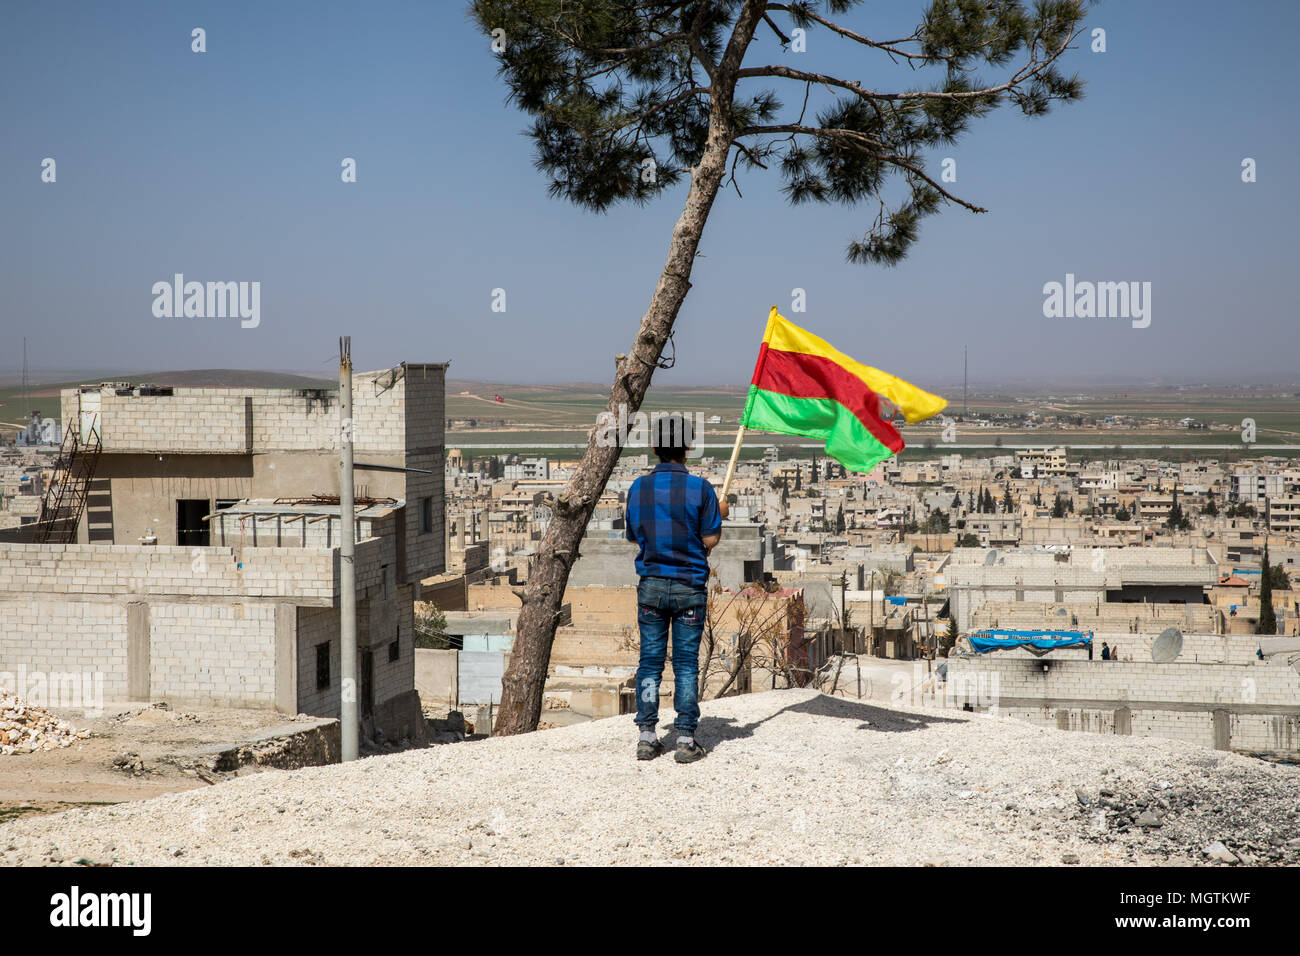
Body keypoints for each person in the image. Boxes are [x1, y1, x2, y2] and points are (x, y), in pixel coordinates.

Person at [624, 414, 723, 763]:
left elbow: (635, 535)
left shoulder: (638, 488)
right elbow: (710, 538)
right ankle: (685, 738)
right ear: (689, 447)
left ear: (654, 448)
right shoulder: (701, 489)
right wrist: (717, 516)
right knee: (685, 664)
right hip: (689, 586)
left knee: (649, 662)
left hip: (651, 586)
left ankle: (648, 736)